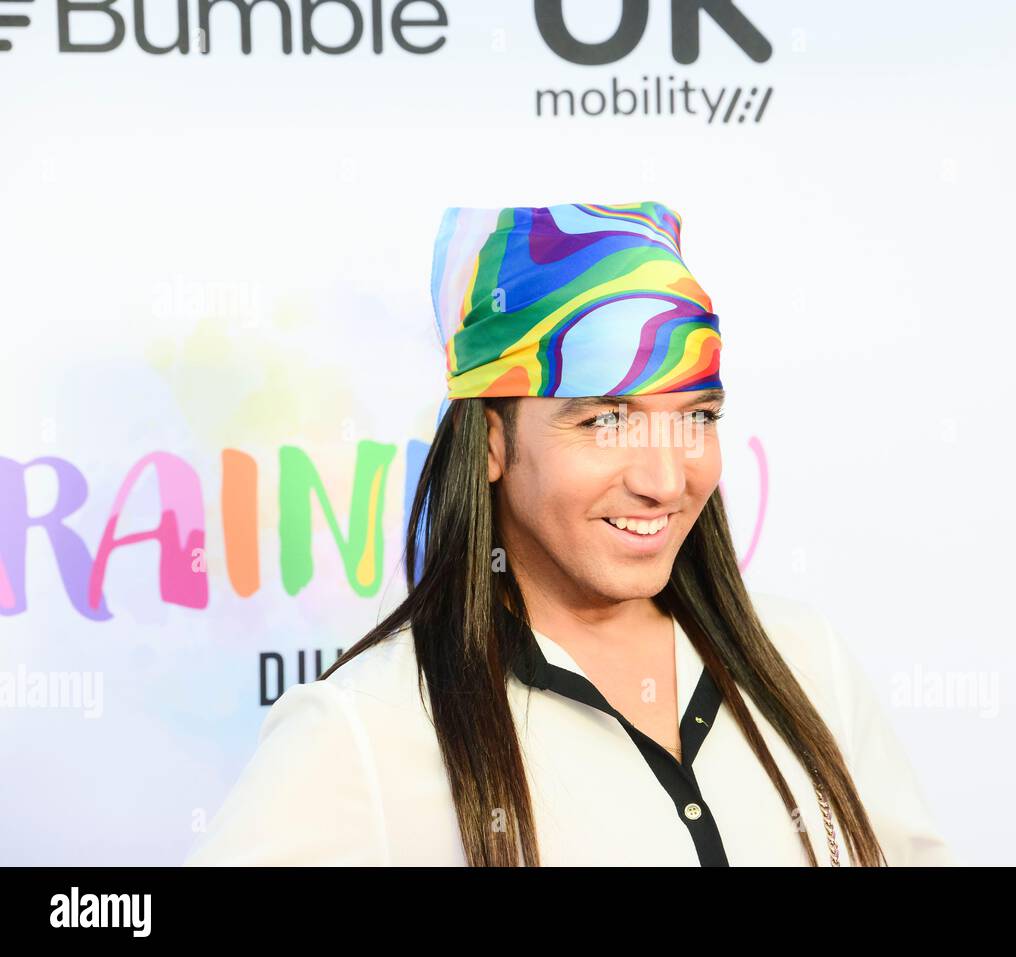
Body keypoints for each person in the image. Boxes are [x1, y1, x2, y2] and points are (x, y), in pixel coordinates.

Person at [183, 200, 955, 867]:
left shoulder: (802, 658)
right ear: (490, 440)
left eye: (697, 415)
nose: (663, 477)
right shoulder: (368, 728)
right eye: (604, 420)